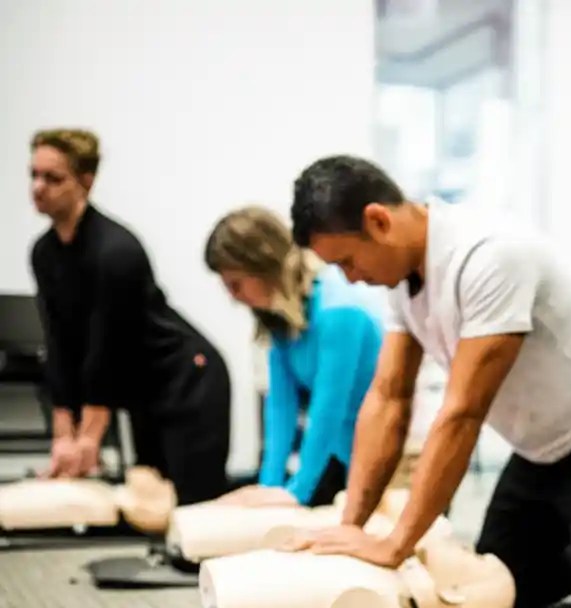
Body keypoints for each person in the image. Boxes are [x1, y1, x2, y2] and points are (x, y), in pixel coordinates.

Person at [282, 156, 571, 608]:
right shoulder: (398, 279)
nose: (350, 278)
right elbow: (389, 397)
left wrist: (397, 543)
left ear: (378, 220)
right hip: (542, 442)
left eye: (347, 261)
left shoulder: (489, 254)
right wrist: (353, 527)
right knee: (496, 592)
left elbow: (463, 412)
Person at [27, 128, 231, 505]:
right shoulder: (44, 253)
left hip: (187, 378)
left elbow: (106, 348)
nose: (39, 187)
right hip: (143, 388)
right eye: (34, 175)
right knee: (149, 503)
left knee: (192, 507)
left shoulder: (116, 251)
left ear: (86, 182)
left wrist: (88, 440)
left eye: (53, 178)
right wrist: (63, 437)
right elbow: (59, 344)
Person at [204, 206, 385, 506]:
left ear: (264, 267)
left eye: (235, 284)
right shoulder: (284, 320)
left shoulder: (338, 310)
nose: (232, 297)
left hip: (400, 453)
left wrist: (294, 495)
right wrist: (269, 488)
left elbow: (327, 411)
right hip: (352, 451)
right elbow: (280, 406)